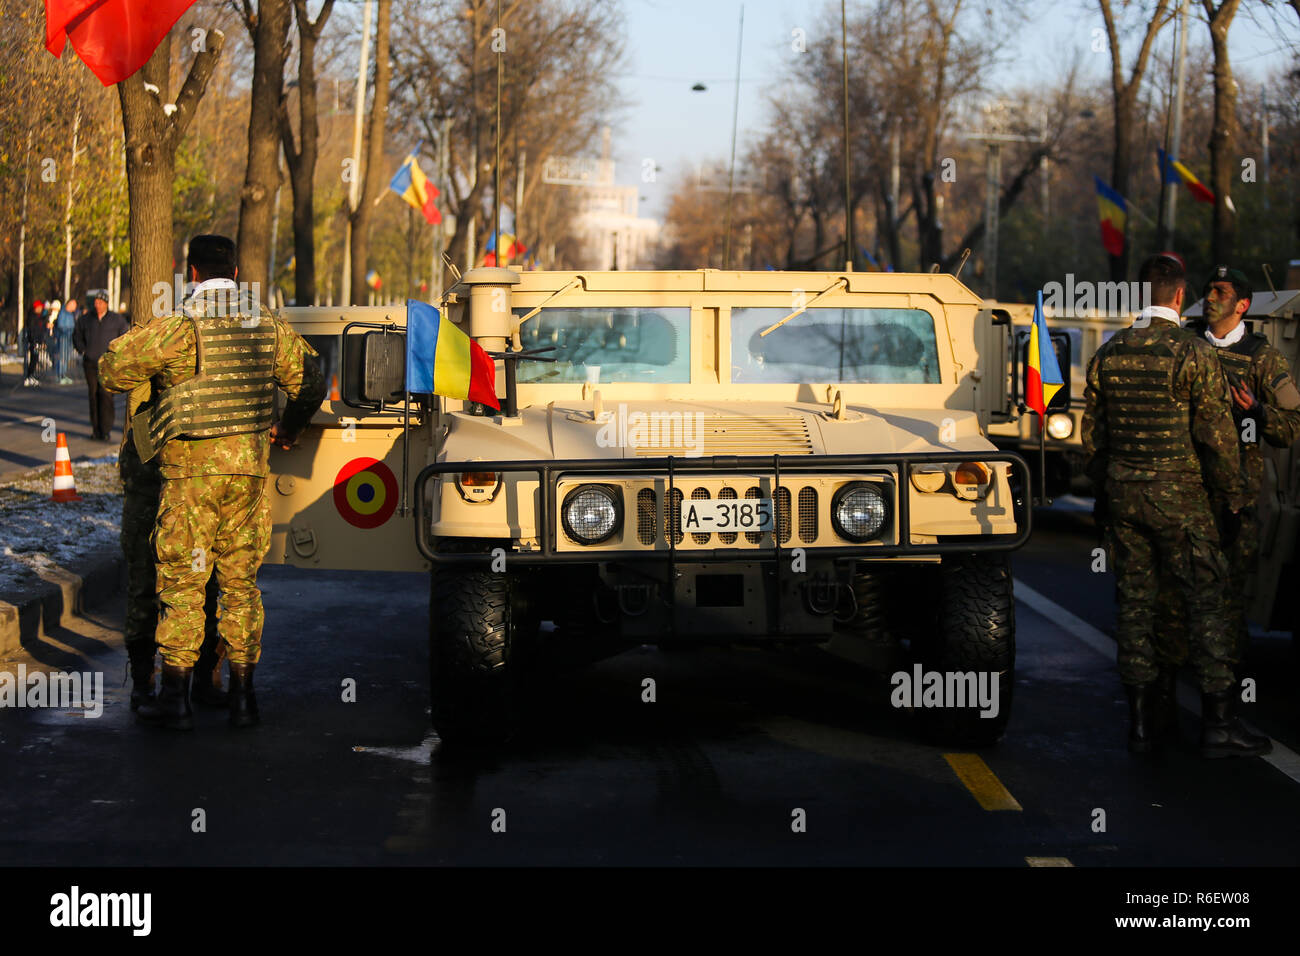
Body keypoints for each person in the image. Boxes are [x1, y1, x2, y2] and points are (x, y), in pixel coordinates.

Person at [99, 234, 325, 730]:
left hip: (189, 482)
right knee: (240, 584)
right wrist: (288, 429)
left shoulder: (181, 328)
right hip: (246, 481)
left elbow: (111, 370)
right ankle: (244, 698)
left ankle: (175, 698)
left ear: (192, 273)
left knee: (183, 582)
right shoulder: (263, 323)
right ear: (237, 276)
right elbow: (312, 378)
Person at [1083, 253, 1269, 758]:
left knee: (1136, 606)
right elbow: (1217, 440)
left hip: (1124, 498)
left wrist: (1103, 495)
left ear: (1139, 295)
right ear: (1179, 295)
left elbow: (1093, 440)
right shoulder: (1192, 355)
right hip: (1183, 503)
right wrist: (1232, 501)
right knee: (1206, 604)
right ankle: (1218, 724)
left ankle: (1142, 724)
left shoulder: (1111, 353)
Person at [1152, 268, 1300, 672]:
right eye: (1208, 289)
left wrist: (1257, 410)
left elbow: (1291, 428)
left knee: (1227, 598)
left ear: (1242, 305)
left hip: (1235, 499)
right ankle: (1171, 680)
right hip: (1180, 491)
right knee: (1172, 590)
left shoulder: (1263, 358)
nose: (1211, 296)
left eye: (1222, 290)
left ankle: (1223, 692)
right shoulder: (1183, 346)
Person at [73, 290, 128, 440]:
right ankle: (95, 429)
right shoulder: (86, 319)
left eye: (100, 302)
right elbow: (76, 334)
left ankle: (106, 429)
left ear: (106, 304)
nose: (97, 305)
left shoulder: (116, 319)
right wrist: (82, 349)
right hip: (90, 362)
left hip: (108, 364)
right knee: (93, 394)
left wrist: (117, 354)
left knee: (105, 395)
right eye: (96, 302)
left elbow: (124, 335)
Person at [23, 300, 47, 386]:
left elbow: (41, 330)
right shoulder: (32, 317)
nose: (41, 309)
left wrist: (42, 340)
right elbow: (32, 330)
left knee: (35, 359)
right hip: (34, 341)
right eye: (39, 307)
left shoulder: (40, 317)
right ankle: (28, 376)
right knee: (33, 359)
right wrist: (34, 341)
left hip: (38, 340)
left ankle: (31, 376)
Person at [55, 299, 77, 384]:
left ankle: (63, 374)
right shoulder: (63, 313)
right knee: (63, 357)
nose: (75, 307)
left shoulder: (71, 314)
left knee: (66, 357)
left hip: (69, 338)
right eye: (74, 305)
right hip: (64, 338)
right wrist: (69, 330)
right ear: (69, 304)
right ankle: (60, 375)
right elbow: (61, 325)